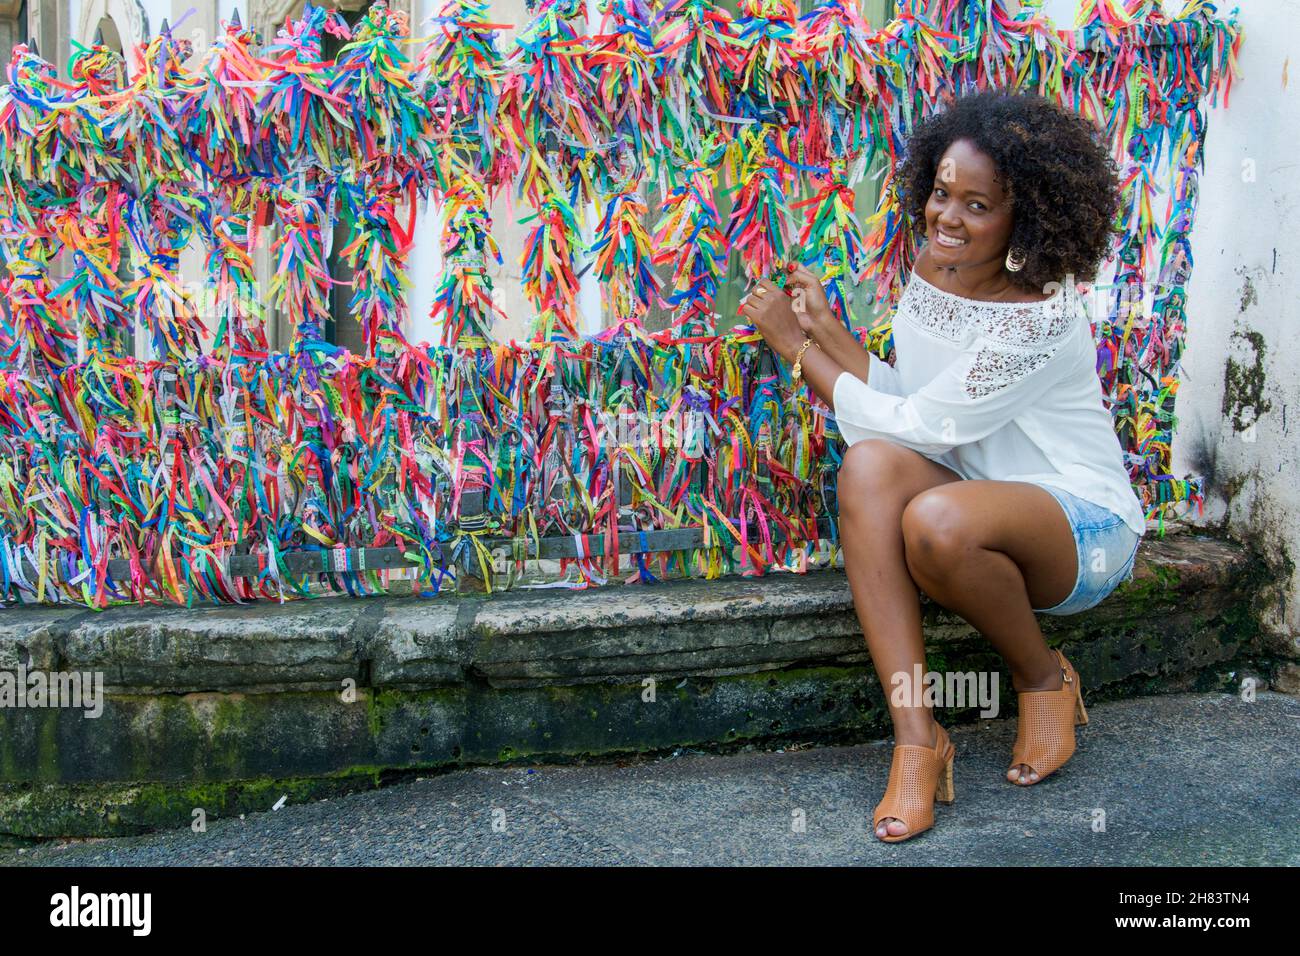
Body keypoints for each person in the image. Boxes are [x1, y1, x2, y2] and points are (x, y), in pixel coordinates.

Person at [743, 89, 1146, 843]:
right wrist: (827, 328)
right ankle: (918, 739)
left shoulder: (1043, 317)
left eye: (977, 205)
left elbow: (924, 424)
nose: (946, 218)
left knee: (932, 517)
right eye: (940, 193)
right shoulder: (934, 268)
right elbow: (911, 404)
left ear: (1025, 217)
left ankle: (1045, 680)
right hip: (974, 498)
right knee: (868, 469)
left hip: (1081, 525)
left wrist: (794, 351)